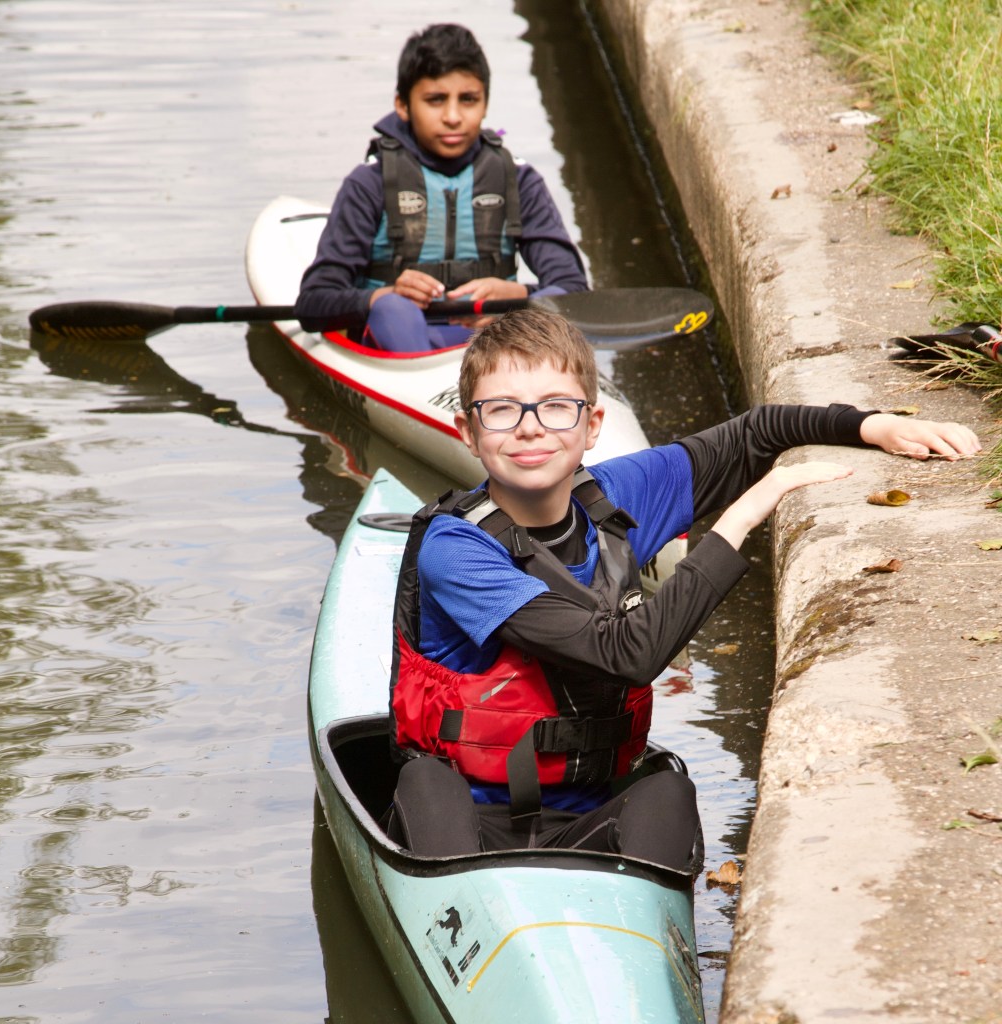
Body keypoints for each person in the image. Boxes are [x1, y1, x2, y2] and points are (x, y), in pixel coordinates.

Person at [385, 308, 981, 870]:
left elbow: (756, 432)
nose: (530, 429)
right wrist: (741, 519)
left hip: (590, 818)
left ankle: (647, 926)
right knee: (425, 782)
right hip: (464, 823)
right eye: (503, 411)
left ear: (592, 425)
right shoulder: (456, 551)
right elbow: (625, 655)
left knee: (667, 789)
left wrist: (874, 425)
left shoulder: (618, 496)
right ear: (467, 430)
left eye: (556, 408)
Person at [294, 23, 587, 353]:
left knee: (542, 311)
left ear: (485, 103)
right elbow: (313, 303)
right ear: (403, 105)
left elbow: (572, 289)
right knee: (394, 309)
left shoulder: (518, 180)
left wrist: (517, 297)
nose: (452, 116)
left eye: (468, 100)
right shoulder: (369, 184)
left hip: (495, 343)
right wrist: (385, 295)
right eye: (435, 100)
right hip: (400, 343)